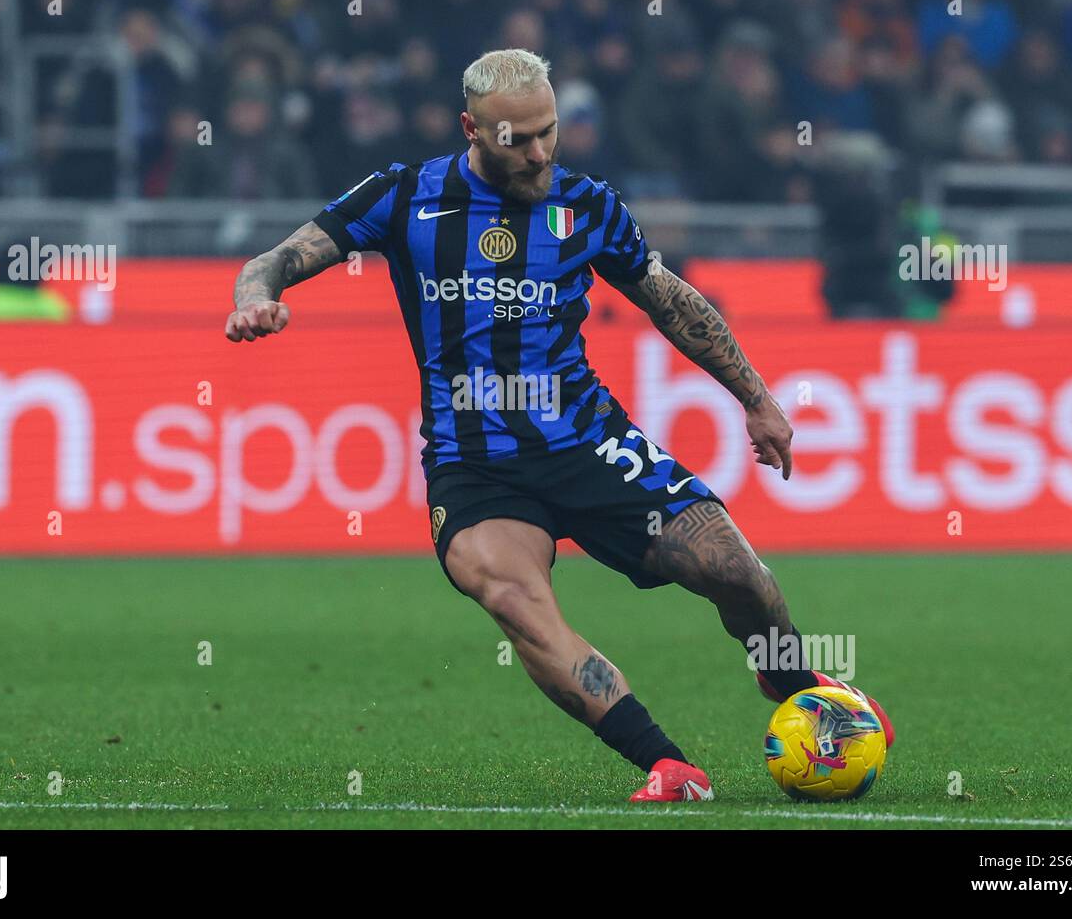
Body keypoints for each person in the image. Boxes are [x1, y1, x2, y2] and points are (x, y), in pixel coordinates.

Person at [223, 49, 893, 802]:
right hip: (474, 463)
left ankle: (801, 688)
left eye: (549, 133)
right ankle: (669, 766)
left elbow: (670, 300)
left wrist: (757, 399)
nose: (539, 152)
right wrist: (256, 298)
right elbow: (275, 260)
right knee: (515, 603)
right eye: (519, 139)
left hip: (586, 440)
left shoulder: (587, 206)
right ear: (472, 129)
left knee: (736, 575)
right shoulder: (405, 196)